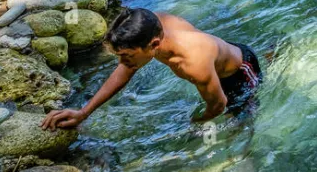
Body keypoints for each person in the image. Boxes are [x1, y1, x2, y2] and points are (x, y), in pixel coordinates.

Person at [40, 8, 263, 128]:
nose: (123, 62)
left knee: (241, 123)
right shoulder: (149, 25)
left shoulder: (192, 63)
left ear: (154, 45)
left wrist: (194, 124)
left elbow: (218, 104)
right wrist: (83, 112)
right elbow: (124, 70)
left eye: (127, 56)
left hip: (239, 71)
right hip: (218, 56)